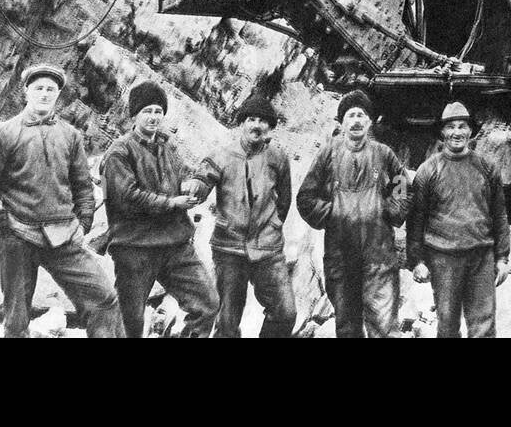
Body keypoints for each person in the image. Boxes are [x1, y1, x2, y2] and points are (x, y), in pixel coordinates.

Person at [0, 64, 125, 338]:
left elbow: (83, 186)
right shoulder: (5, 132)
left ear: (58, 94)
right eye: (39, 88)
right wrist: (5, 224)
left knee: (104, 299)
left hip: (63, 236)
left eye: (51, 89)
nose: (44, 94)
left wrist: (82, 224)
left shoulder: (70, 135)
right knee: (15, 319)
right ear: (26, 92)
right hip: (18, 236)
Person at [102, 80, 218, 338]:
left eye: (158, 111)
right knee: (128, 324)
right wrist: (172, 203)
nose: (154, 117)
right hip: (135, 247)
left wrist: (191, 186)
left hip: (175, 245)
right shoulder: (119, 152)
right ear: (134, 114)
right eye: (147, 111)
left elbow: (183, 179)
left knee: (207, 305)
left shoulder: (168, 147)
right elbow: (126, 198)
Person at [182, 93, 296, 338]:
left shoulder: (278, 158)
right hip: (229, 248)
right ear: (242, 123)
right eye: (251, 119)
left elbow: (285, 199)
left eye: (263, 121)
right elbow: (203, 179)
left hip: (268, 249)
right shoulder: (221, 155)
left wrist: (273, 224)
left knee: (286, 312)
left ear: (270, 127)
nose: (256, 125)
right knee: (227, 323)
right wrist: (195, 187)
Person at [296, 89, 408, 338]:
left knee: (384, 327)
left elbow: (402, 183)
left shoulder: (384, 153)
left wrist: (391, 209)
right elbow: (305, 197)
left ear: (370, 121)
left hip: (378, 256)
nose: (356, 120)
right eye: (351, 115)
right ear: (342, 122)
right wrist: (332, 213)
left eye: (362, 115)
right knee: (347, 327)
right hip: (340, 255)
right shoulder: (327, 153)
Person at [406, 101, 510, 338]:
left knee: (483, 325)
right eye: (451, 127)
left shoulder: (487, 168)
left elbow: (500, 215)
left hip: (481, 256)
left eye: (462, 126)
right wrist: (417, 260)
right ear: (442, 133)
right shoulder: (428, 170)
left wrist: (502, 257)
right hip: (443, 257)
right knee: (447, 324)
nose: (457, 132)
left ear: (470, 131)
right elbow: (416, 219)